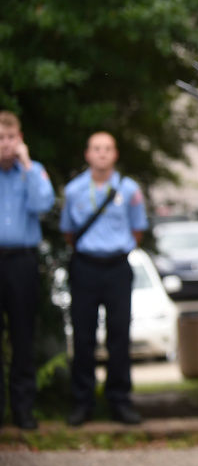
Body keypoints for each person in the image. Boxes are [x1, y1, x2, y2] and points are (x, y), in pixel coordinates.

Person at [60, 131, 149, 426]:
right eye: (96, 148)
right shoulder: (74, 190)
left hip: (117, 268)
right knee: (83, 336)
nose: (101, 153)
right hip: (85, 266)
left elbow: (137, 231)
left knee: (119, 335)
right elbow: (69, 233)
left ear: (115, 154)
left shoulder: (130, 189)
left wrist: (115, 249)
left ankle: (119, 401)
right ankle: (82, 402)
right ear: (87, 154)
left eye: (107, 148)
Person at [0, 111, 55, 430]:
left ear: (20, 139)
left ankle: (23, 411)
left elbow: (42, 205)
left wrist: (28, 165)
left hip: (22, 262)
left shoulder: (33, 172)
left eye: (10, 138)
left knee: (23, 337)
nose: (5, 145)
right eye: (1, 139)